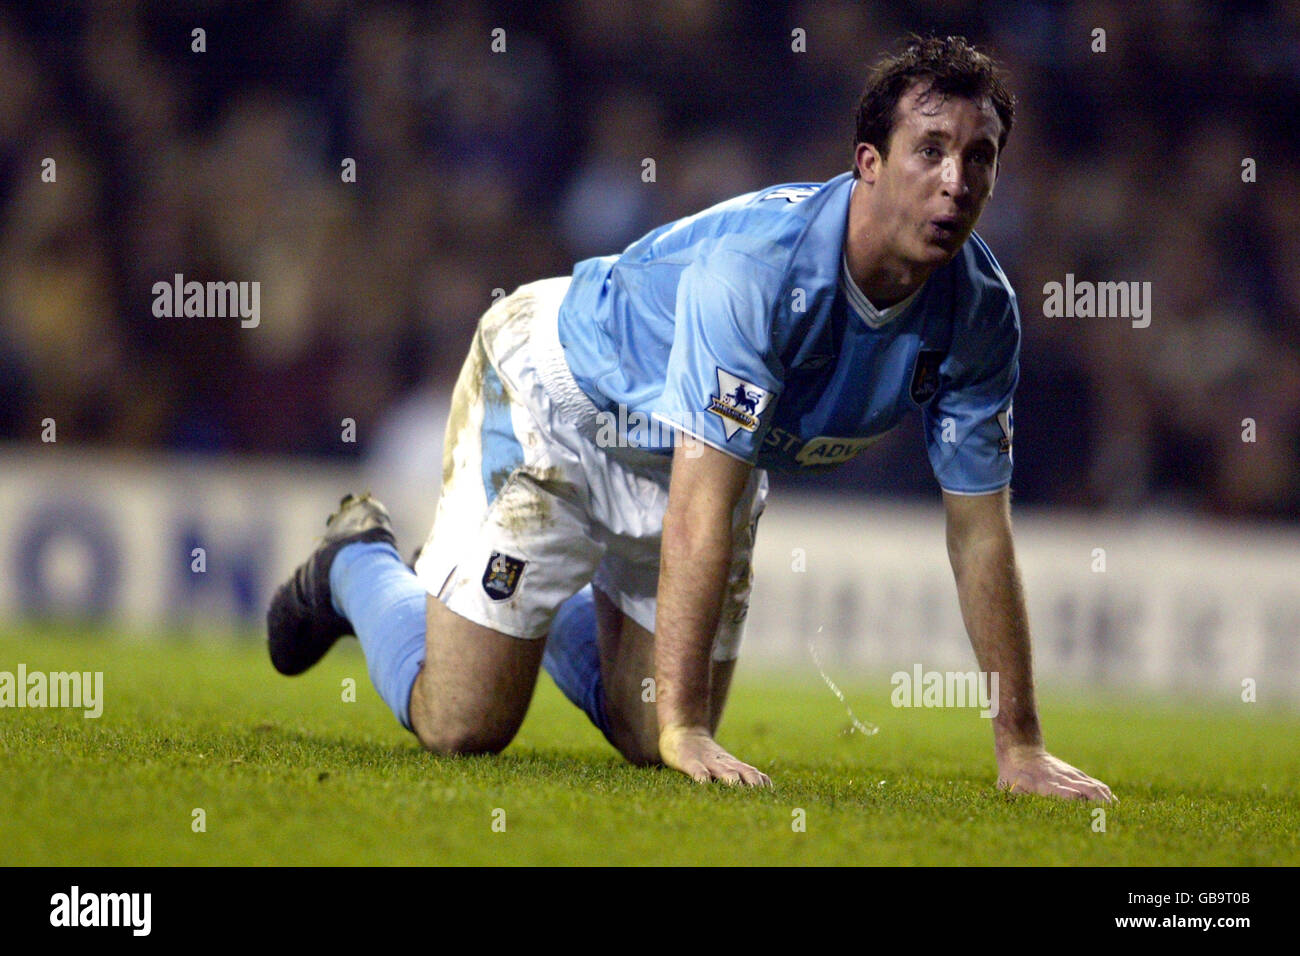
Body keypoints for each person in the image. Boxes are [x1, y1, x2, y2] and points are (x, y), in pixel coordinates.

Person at [268, 35, 1114, 802]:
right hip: (560, 400)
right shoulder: (758, 271)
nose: (956, 182)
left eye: (980, 157)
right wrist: (689, 726)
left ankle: (531, 607)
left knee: (644, 743)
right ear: (869, 163)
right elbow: (701, 505)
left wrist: (1021, 745)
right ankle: (359, 558)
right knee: (463, 727)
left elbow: (979, 533)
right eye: (929, 151)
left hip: (692, 457)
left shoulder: (981, 314)